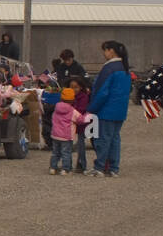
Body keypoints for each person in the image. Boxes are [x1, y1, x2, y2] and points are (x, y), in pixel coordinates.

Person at [86, 40, 132, 177]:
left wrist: (92, 108)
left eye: (105, 51)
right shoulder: (125, 68)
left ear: (110, 50)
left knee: (103, 139)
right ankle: (113, 168)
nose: (104, 54)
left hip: (106, 110)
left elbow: (102, 92)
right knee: (115, 139)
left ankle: (99, 167)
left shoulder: (108, 68)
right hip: (120, 110)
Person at [48, 88, 89, 174]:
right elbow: (81, 120)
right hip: (66, 136)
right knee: (66, 153)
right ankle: (65, 169)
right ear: (72, 100)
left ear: (61, 98)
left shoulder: (56, 108)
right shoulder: (72, 111)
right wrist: (87, 115)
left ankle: (53, 168)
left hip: (55, 135)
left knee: (55, 152)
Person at [69, 75, 92, 172]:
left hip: (82, 124)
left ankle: (82, 164)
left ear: (81, 87)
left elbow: (81, 110)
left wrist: (70, 111)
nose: (74, 89)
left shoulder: (83, 97)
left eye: (76, 87)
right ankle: (75, 164)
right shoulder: (70, 96)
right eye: (71, 87)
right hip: (74, 124)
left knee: (81, 144)